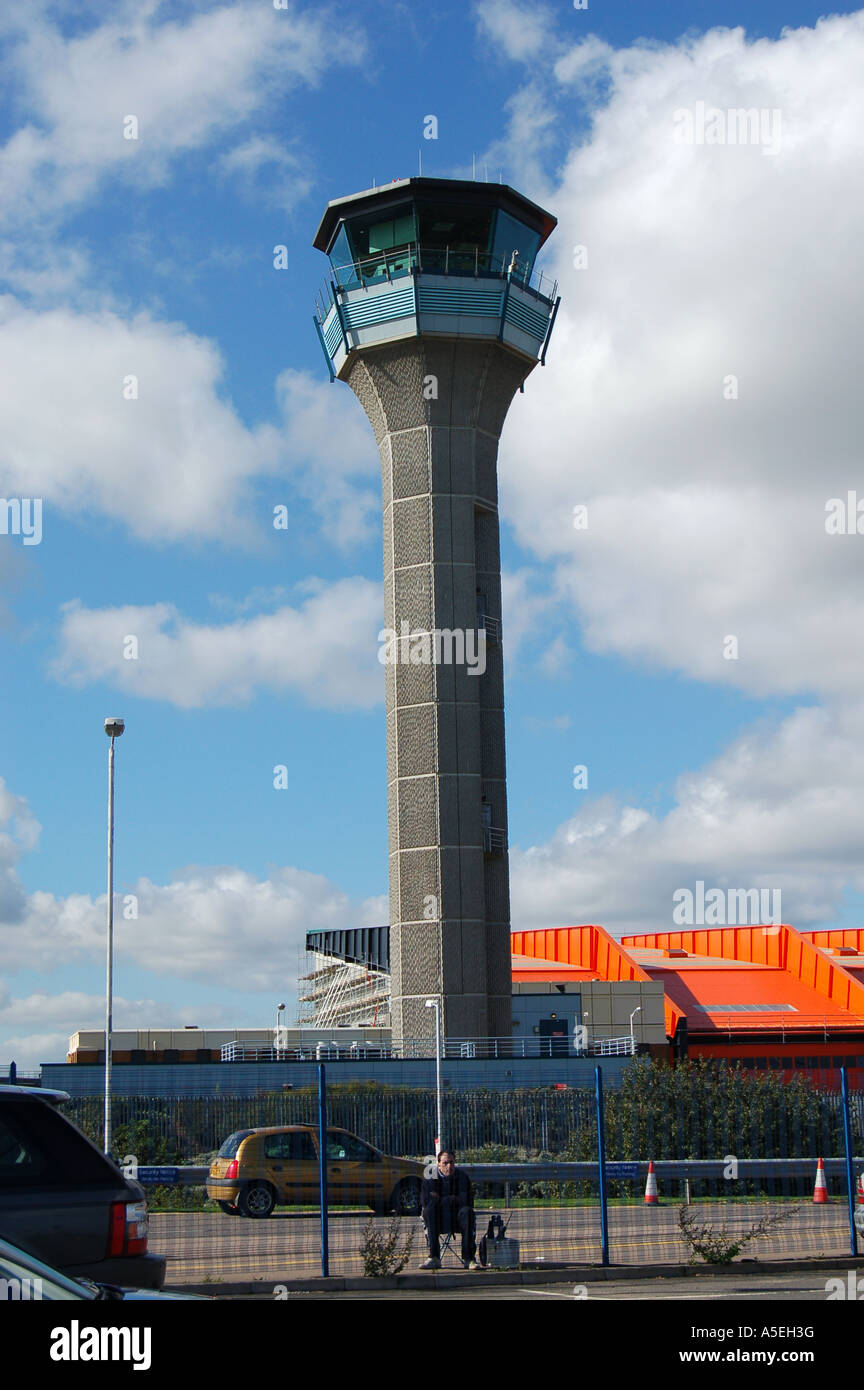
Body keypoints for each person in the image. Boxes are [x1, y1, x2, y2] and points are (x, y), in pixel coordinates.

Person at [420, 1149, 477, 1269]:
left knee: (468, 1212)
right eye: (445, 1163)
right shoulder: (430, 1178)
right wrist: (453, 1199)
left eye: (451, 1162)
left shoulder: (462, 1177)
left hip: (457, 1218)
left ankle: (469, 1258)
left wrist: (440, 1199)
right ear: (438, 1164)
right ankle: (434, 1257)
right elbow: (427, 1201)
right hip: (438, 1219)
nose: (449, 1166)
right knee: (430, 1210)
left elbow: (466, 1201)